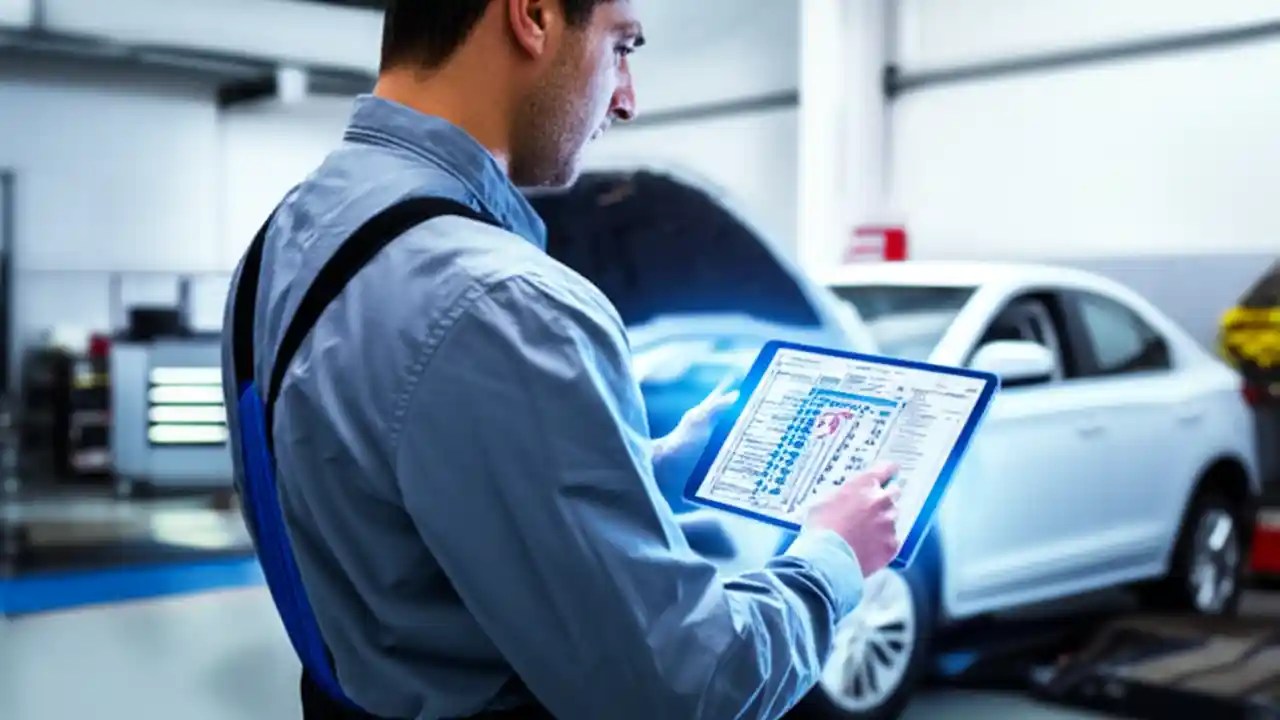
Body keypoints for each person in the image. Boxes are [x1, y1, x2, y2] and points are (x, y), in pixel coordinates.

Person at [220, 1, 903, 719]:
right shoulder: (510, 302)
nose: (628, 99)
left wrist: (646, 467)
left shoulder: (286, 240)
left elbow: (409, 512)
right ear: (535, 17)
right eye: (622, 47)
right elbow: (684, 691)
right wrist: (834, 557)